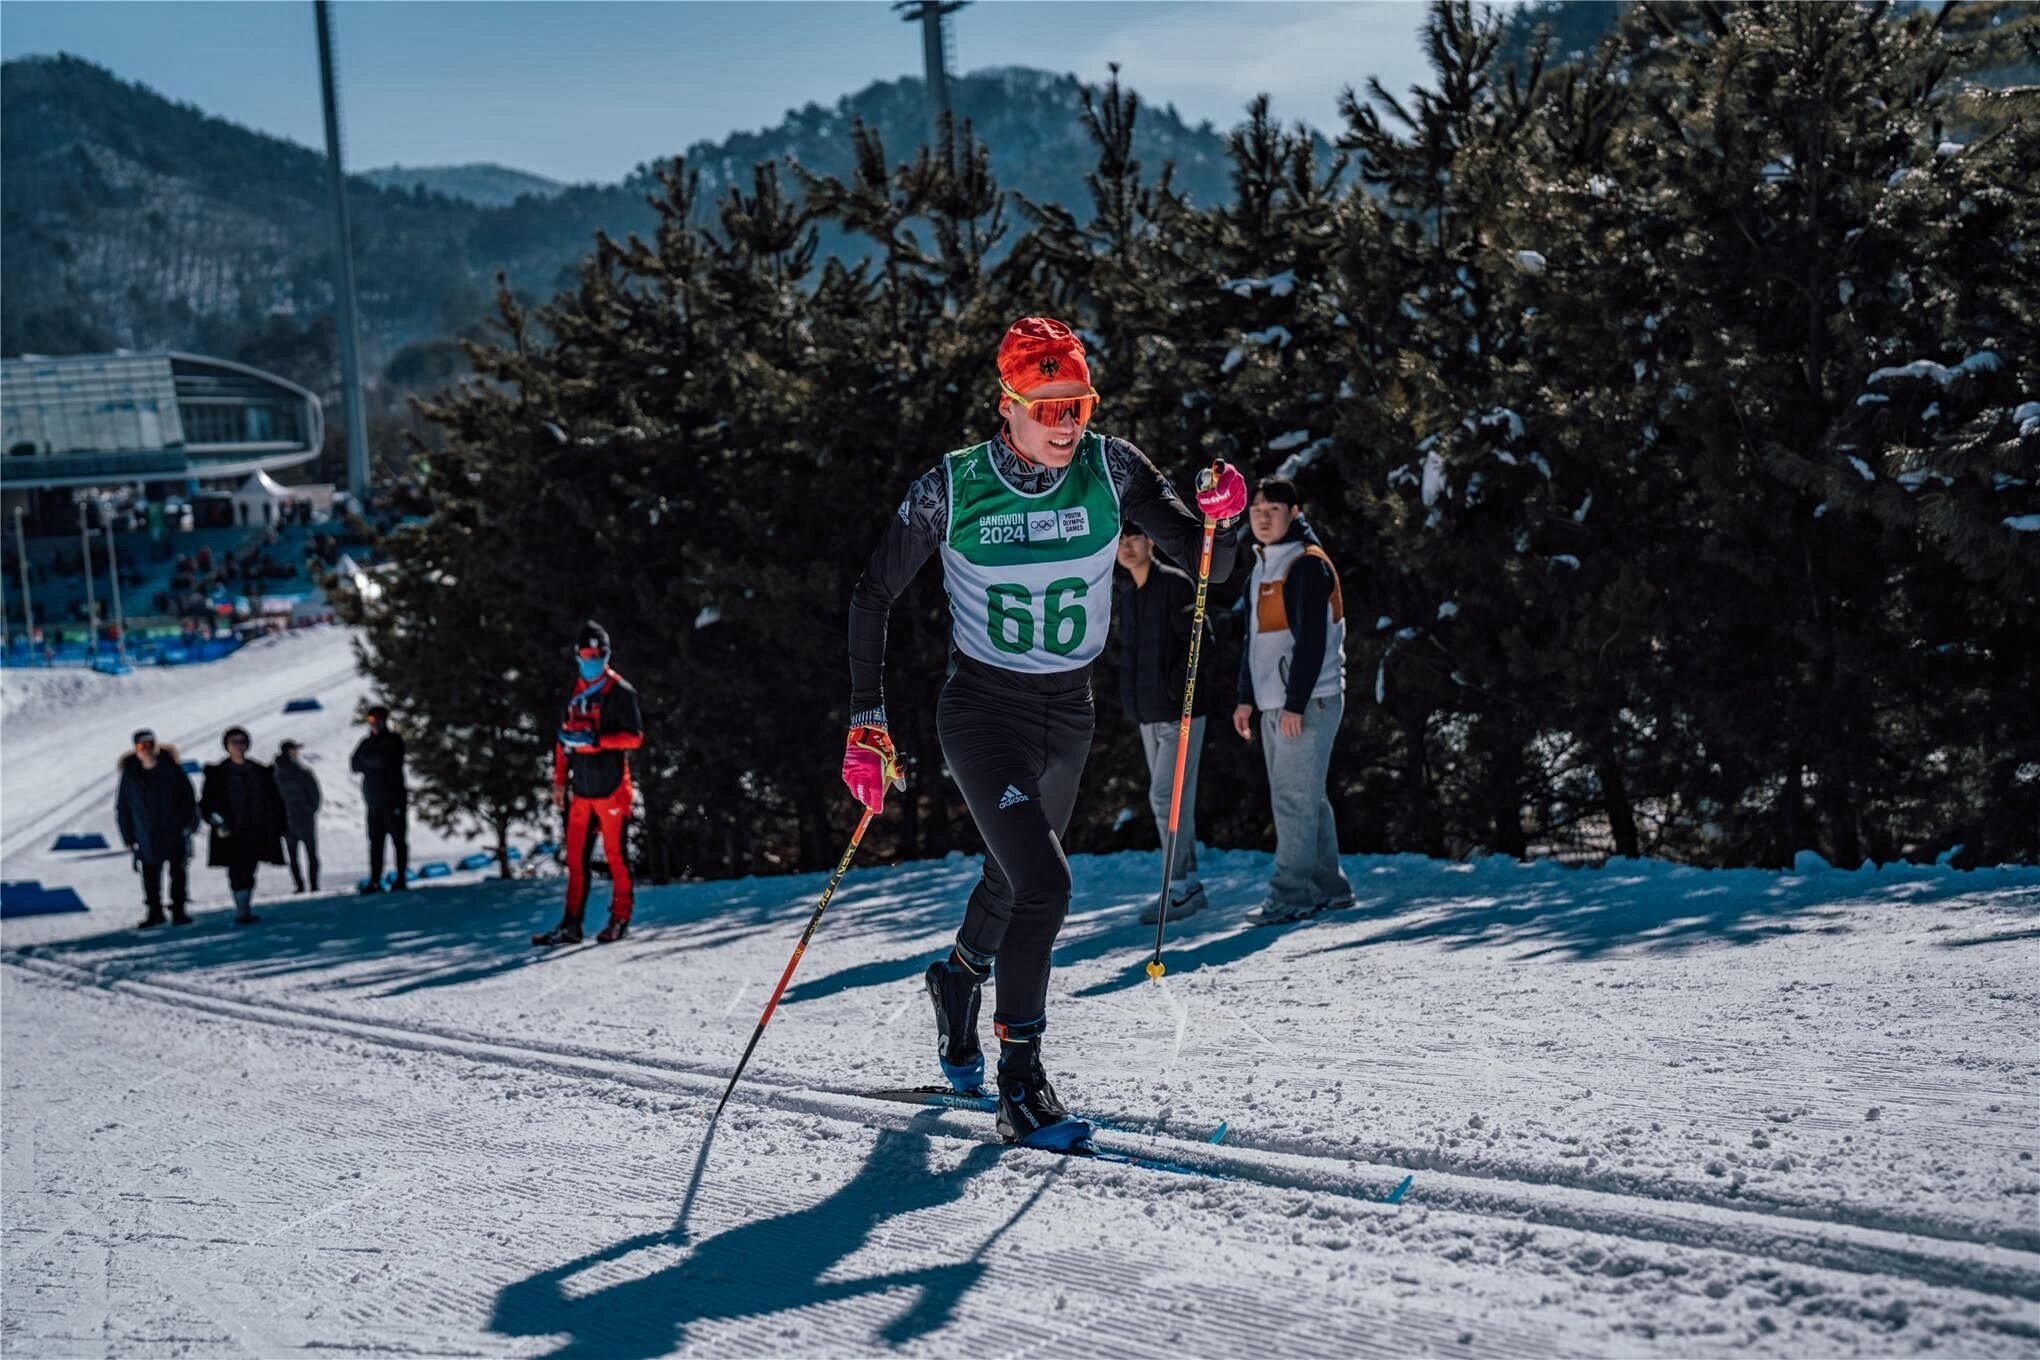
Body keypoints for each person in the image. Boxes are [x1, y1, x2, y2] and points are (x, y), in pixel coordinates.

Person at [844, 315, 1247, 1150]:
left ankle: (957, 983)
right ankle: (1019, 1084)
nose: (1066, 423)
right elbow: (871, 593)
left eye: (1078, 404)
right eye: (1048, 406)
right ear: (1009, 403)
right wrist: (867, 721)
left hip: (1070, 709)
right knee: (1047, 885)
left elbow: (1210, 561)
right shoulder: (950, 487)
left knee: (1013, 876)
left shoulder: (1113, 465)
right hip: (983, 709)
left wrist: (1223, 517)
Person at [1232, 477, 1356, 925]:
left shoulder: (1305, 565)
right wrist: (1247, 698)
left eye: (1273, 510)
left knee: (1292, 800)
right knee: (1306, 797)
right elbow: (1254, 641)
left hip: (1307, 703)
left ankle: (1291, 894)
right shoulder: (1264, 564)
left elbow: (1310, 643)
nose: (1263, 518)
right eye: (1257, 510)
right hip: (1274, 703)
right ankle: (1329, 887)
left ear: (1295, 513)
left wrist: (1295, 704)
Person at [1114, 524, 1217, 924]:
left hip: (1179, 714)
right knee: (1176, 801)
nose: (1128, 546)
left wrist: (1177, 692)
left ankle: (1179, 884)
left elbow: (1200, 643)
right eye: (1121, 540)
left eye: (1135, 538)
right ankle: (1187, 883)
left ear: (1151, 542)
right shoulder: (1128, 597)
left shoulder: (1175, 584)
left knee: (1165, 799)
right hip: (1147, 716)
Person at [533, 622, 644, 947]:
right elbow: (562, 741)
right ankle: (571, 925)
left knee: (615, 856)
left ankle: (620, 918)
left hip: (611, 788)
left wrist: (600, 741)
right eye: (588, 653)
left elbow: (635, 737)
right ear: (578, 655)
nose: (594, 658)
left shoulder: (621, 691)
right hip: (580, 789)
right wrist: (558, 782)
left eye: (600, 653)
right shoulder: (573, 691)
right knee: (575, 859)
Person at [200, 725, 288, 925]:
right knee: (236, 869)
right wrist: (217, 822)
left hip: (256, 828)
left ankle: (245, 906)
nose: (238, 746)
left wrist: (279, 826)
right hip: (230, 831)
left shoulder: (260, 771)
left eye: (242, 741)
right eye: (234, 742)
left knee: (249, 868)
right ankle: (242, 909)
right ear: (227, 746)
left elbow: (275, 801)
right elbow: (206, 804)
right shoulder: (217, 774)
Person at [114, 727, 197, 927]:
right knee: (150, 874)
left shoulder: (172, 769)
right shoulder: (130, 775)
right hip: (146, 833)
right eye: (142, 745)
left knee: (178, 872)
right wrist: (128, 837)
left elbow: (188, 798)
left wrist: (189, 824)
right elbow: (123, 807)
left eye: (151, 744)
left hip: (174, 830)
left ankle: (179, 910)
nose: (147, 749)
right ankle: (154, 911)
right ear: (135, 749)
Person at [351, 704, 408, 892]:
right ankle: (375, 879)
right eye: (370, 720)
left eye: (377, 720)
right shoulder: (366, 743)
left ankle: (401, 878)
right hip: (373, 801)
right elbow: (355, 763)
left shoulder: (394, 741)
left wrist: (371, 763)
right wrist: (373, 764)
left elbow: (386, 763)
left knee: (398, 841)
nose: (374, 724)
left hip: (393, 800)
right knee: (376, 842)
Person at [273, 739, 322, 893]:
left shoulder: (275, 774)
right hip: (304, 818)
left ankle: (299, 885)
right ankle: (313, 885)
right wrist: (311, 810)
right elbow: (315, 795)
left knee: (293, 856)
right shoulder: (302, 772)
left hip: (287, 820)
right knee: (311, 854)